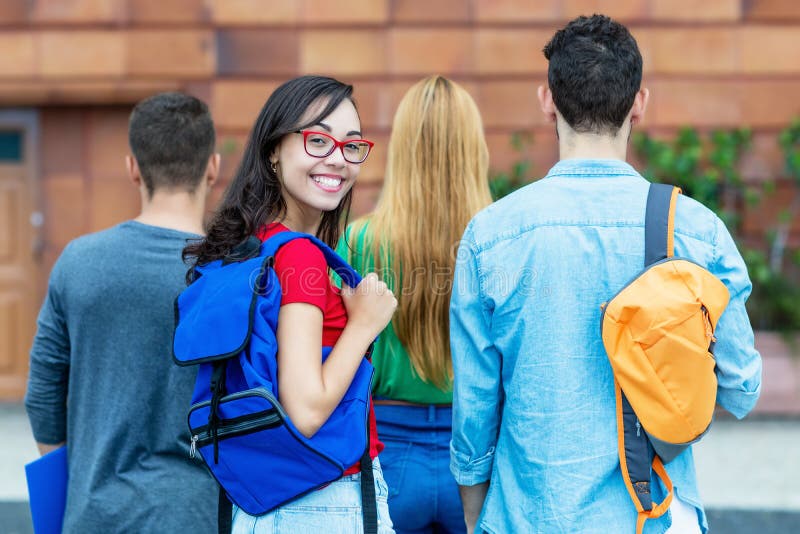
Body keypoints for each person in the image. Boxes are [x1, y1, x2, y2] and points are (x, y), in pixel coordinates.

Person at [449, 15, 762, 534]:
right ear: (639, 101)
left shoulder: (491, 235)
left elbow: (475, 412)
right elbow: (742, 389)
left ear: (547, 100)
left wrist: (475, 511)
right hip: (654, 514)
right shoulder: (696, 230)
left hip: (528, 516)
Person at [183, 75, 397, 533]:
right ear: (273, 150)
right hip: (324, 499)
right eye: (318, 141)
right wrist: (365, 324)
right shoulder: (299, 254)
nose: (337, 160)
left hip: (265, 500)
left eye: (351, 146)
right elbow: (306, 408)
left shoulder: (253, 244)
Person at [25, 92, 221, 532]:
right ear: (213, 166)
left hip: (95, 514)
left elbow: (42, 397)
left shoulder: (78, 262)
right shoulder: (234, 272)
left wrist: (80, 483)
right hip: (200, 516)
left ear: (132, 167)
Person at [337, 75, 492, 534]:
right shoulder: (500, 243)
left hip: (389, 453)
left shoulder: (356, 243)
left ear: (402, 149)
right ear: (473, 149)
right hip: (477, 455)